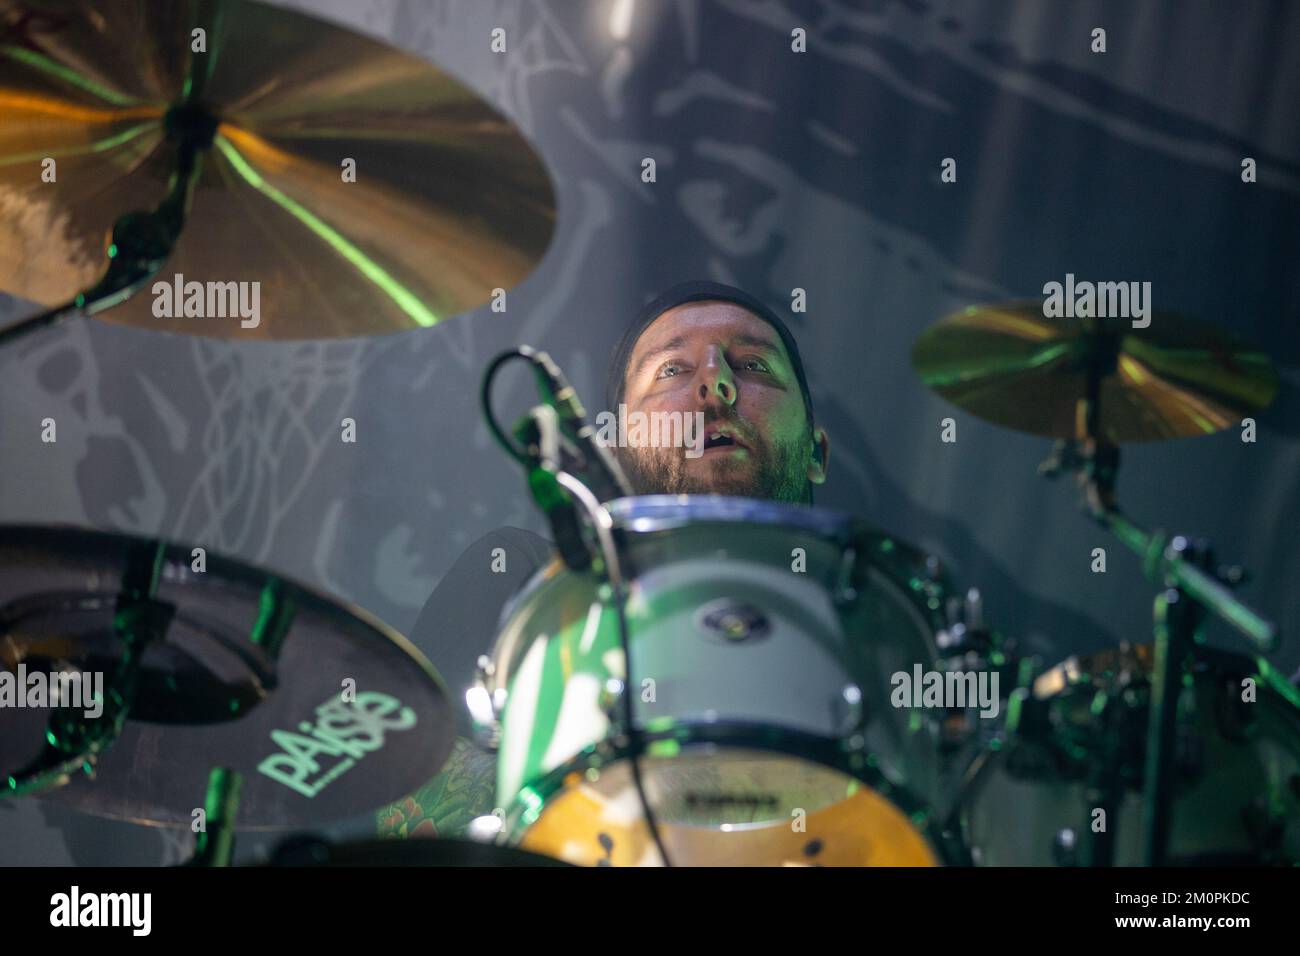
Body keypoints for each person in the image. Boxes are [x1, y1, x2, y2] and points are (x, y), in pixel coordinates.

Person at [376, 280, 830, 840]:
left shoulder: (882, 626)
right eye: (671, 371)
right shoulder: (522, 576)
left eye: (754, 364)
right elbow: (409, 812)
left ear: (816, 449)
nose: (716, 383)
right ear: (615, 451)